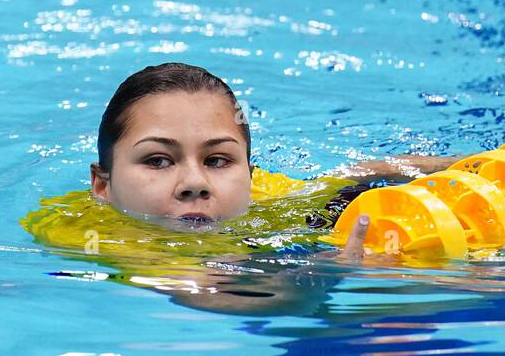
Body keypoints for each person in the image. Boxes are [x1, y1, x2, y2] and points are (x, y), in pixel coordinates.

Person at [89, 60, 457, 263]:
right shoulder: (94, 240)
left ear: (250, 176)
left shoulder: (270, 198)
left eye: (217, 160)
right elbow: (217, 294)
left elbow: (348, 176)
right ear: (102, 186)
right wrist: (321, 273)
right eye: (158, 160)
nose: (194, 182)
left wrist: (462, 165)